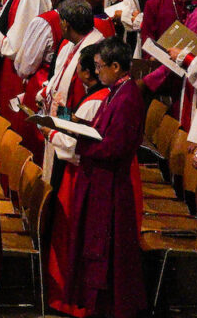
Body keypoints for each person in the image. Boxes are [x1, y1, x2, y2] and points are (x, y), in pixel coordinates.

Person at [63, 39, 147, 318]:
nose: (96, 72)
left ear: (116, 66)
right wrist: (76, 127)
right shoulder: (116, 91)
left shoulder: (127, 97)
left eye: (100, 67)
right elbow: (103, 132)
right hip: (100, 180)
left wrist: (80, 141)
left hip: (111, 184)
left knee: (110, 253)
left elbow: (115, 146)